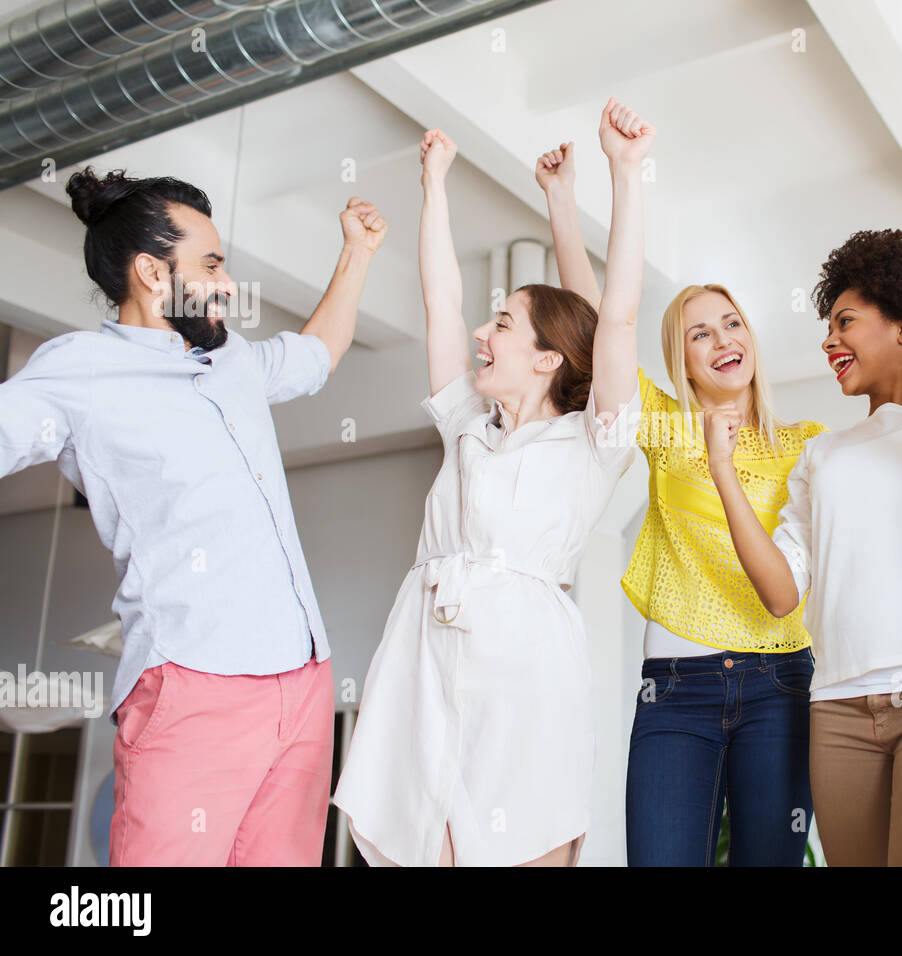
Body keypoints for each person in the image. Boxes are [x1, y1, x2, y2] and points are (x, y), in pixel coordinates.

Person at [0, 167, 387, 865]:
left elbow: (316, 356)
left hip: (304, 681)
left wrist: (357, 253)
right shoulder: (79, 368)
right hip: (193, 680)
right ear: (151, 272)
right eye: (211, 264)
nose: (228, 284)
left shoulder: (231, 360)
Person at [332, 98, 649, 867]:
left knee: (523, 833)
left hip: (524, 668)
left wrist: (626, 173)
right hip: (424, 651)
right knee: (419, 835)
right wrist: (433, 183)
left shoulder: (592, 440)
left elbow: (620, 318)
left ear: (548, 359)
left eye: (503, 323)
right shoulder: (468, 425)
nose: (483, 330)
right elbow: (441, 298)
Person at [536, 145, 826, 866]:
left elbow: (792, 587)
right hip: (676, 692)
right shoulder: (668, 429)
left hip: (778, 687)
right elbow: (603, 331)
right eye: (700, 332)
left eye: (731, 323)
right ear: (683, 360)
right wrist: (564, 205)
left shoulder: (807, 446)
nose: (722, 339)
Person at [702, 229, 902, 865]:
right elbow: (782, 593)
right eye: (827, 326)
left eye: (845, 321)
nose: (828, 340)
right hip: (837, 706)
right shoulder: (822, 454)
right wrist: (721, 469)